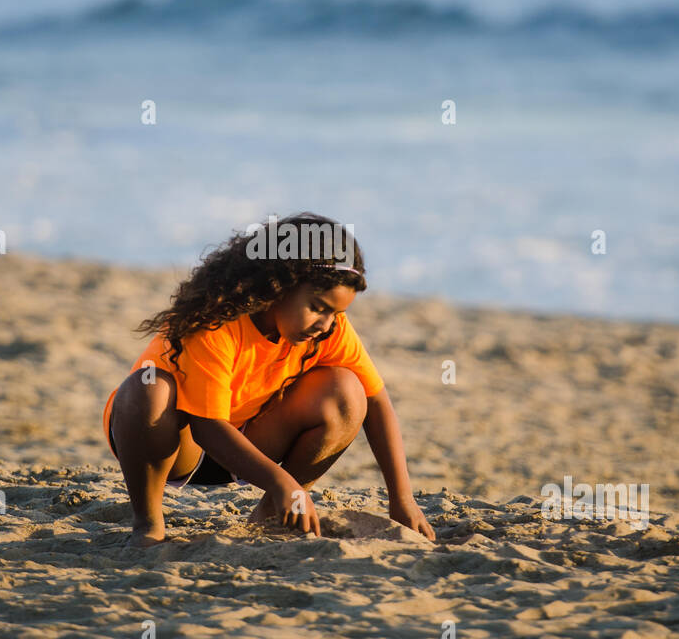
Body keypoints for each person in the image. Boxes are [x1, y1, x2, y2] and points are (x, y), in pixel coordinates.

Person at [102, 212, 436, 547]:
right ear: (278, 285)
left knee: (347, 391)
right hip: (171, 445)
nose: (327, 323)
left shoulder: (328, 331)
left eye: (337, 313)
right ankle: (148, 523)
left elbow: (377, 402)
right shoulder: (217, 320)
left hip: (247, 445)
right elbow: (207, 426)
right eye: (318, 307)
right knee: (147, 387)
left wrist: (402, 499)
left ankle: (270, 514)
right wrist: (281, 481)